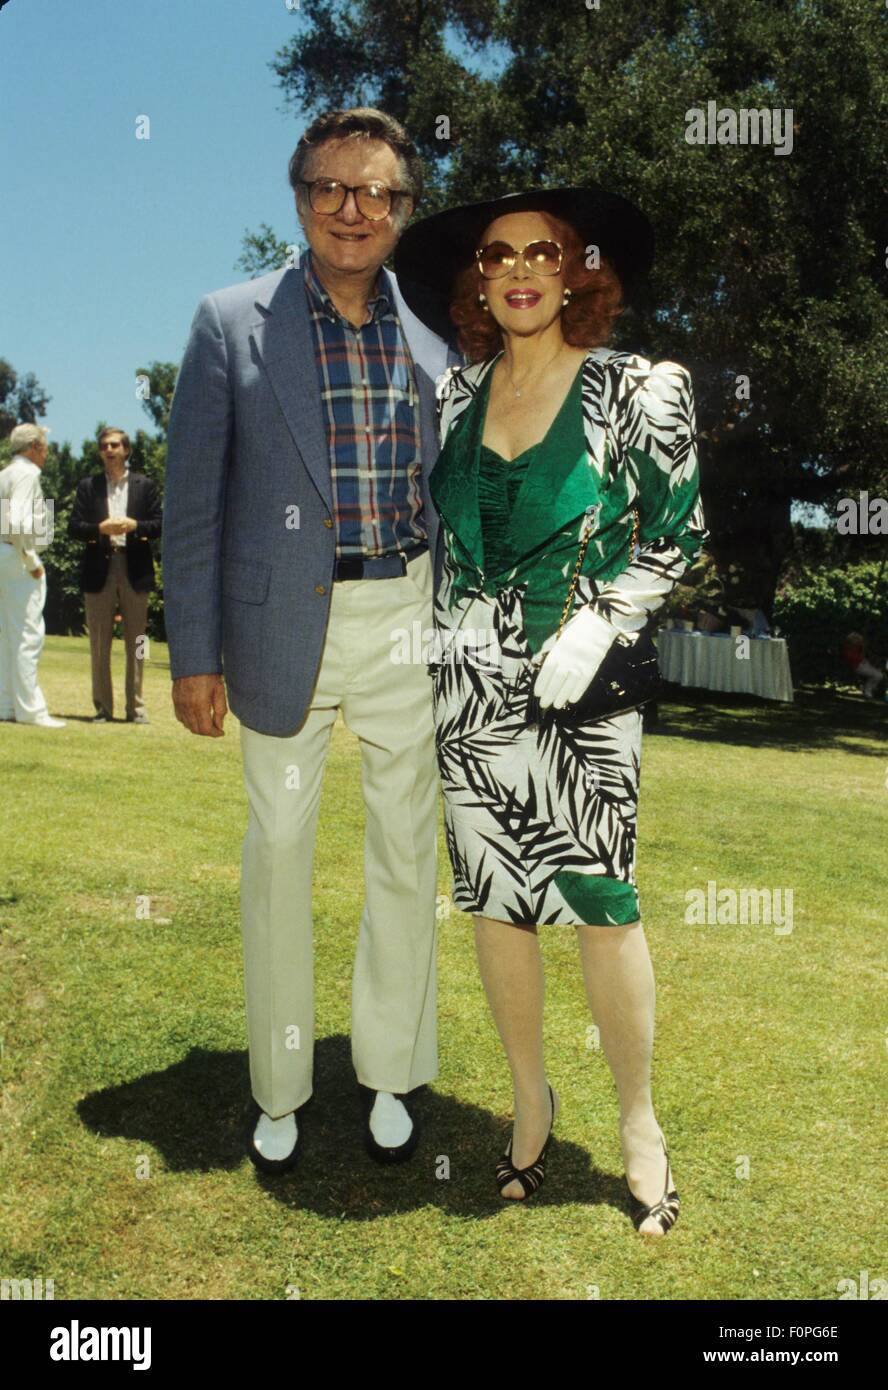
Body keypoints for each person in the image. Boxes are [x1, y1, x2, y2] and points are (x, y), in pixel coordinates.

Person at [395, 186, 708, 1233]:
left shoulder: (642, 389)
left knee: (602, 906)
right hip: (470, 692)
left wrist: (605, 619)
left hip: (583, 695)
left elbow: (676, 534)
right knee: (493, 901)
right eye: (497, 255)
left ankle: (639, 1122)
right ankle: (530, 1102)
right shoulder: (454, 395)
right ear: (477, 280)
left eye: (545, 251)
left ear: (580, 269)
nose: (520, 269)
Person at [163, 108, 457, 1175]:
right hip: (282, 625)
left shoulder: (435, 329)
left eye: (377, 193)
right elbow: (192, 505)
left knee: (405, 852)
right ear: (299, 197)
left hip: (408, 619)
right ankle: (281, 1088)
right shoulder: (228, 320)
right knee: (279, 854)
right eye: (333, 188)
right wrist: (194, 652)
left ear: (402, 210)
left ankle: (389, 1074)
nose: (354, 210)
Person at [68, 428, 162, 723]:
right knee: (99, 643)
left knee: (137, 642)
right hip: (99, 569)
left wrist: (135, 526)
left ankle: (135, 708)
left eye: (115, 445)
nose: (109, 450)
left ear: (126, 450)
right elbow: (73, 527)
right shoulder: (88, 487)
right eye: (104, 446)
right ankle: (102, 709)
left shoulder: (144, 486)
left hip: (135, 568)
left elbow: (160, 524)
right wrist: (100, 529)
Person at [0, 423, 64, 727]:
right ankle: (31, 711)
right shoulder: (27, 475)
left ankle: (6, 705)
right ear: (34, 447)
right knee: (27, 634)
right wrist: (31, 561)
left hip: (4, 554)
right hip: (17, 556)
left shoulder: (6, 473)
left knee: (6, 635)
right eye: (44, 446)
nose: (47, 452)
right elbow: (20, 523)